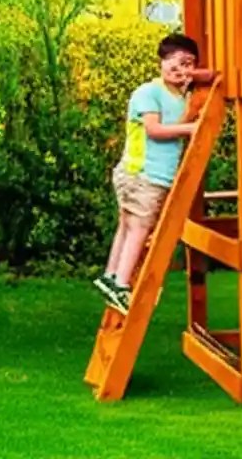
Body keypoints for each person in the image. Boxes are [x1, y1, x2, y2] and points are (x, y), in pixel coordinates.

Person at [94, 33, 210, 313]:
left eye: (188, 64)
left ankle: (111, 276)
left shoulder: (179, 96)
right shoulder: (149, 92)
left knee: (127, 225)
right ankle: (121, 285)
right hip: (142, 172)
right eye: (176, 62)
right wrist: (191, 129)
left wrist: (200, 74)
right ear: (162, 61)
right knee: (139, 227)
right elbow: (154, 130)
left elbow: (207, 74)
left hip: (150, 175)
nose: (182, 70)